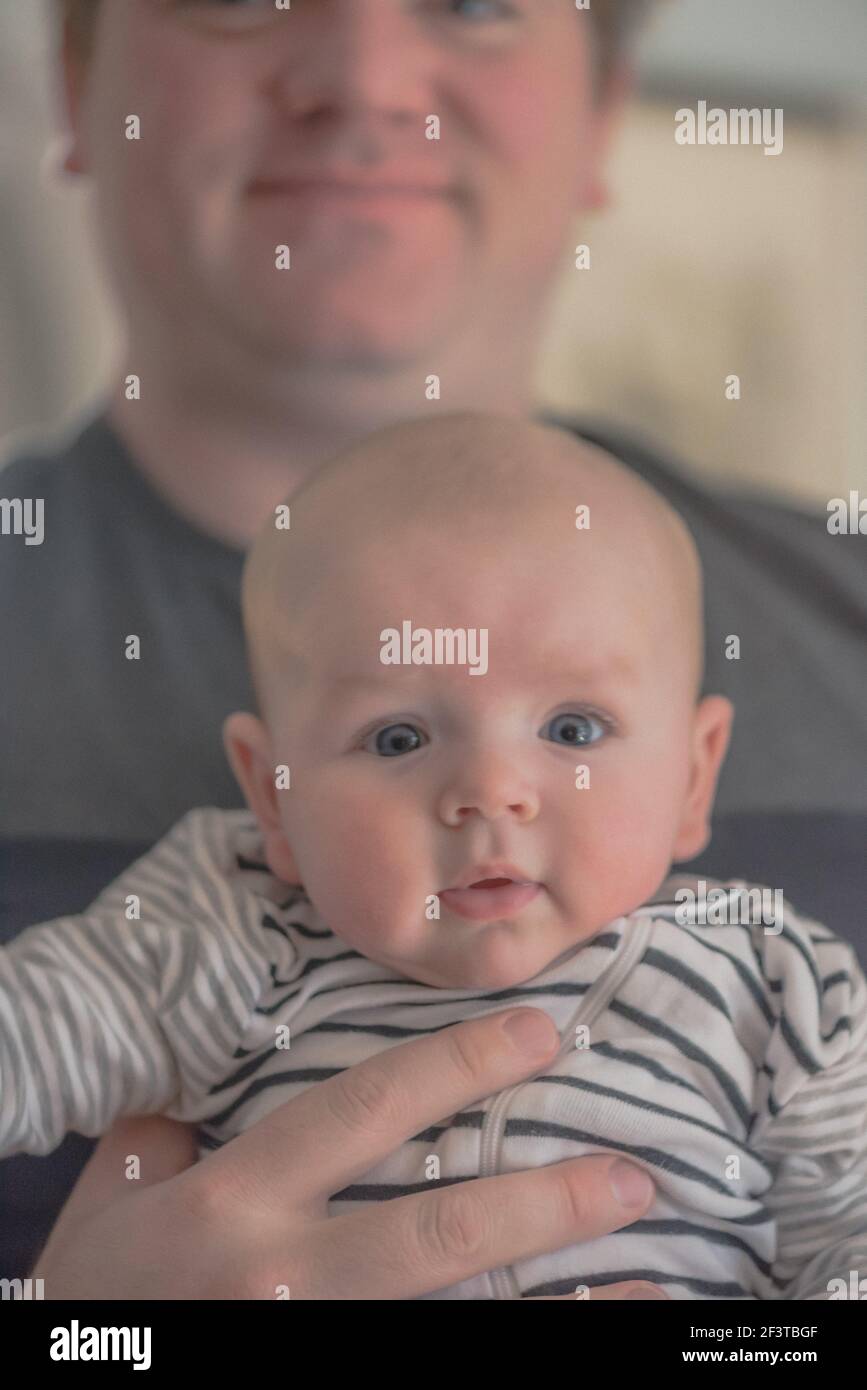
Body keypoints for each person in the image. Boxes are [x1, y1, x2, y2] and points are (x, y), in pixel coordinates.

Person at [0, 0, 864, 1295]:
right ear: (76, 77)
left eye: (470, 2)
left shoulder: (776, 977)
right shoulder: (219, 923)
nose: (361, 78)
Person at [6, 414, 866, 1301]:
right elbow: (25, 1036)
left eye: (573, 728)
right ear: (274, 796)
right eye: (397, 737)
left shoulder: (769, 981)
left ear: (692, 777)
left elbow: (848, 1236)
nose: (491, 792)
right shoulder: (233, 929)